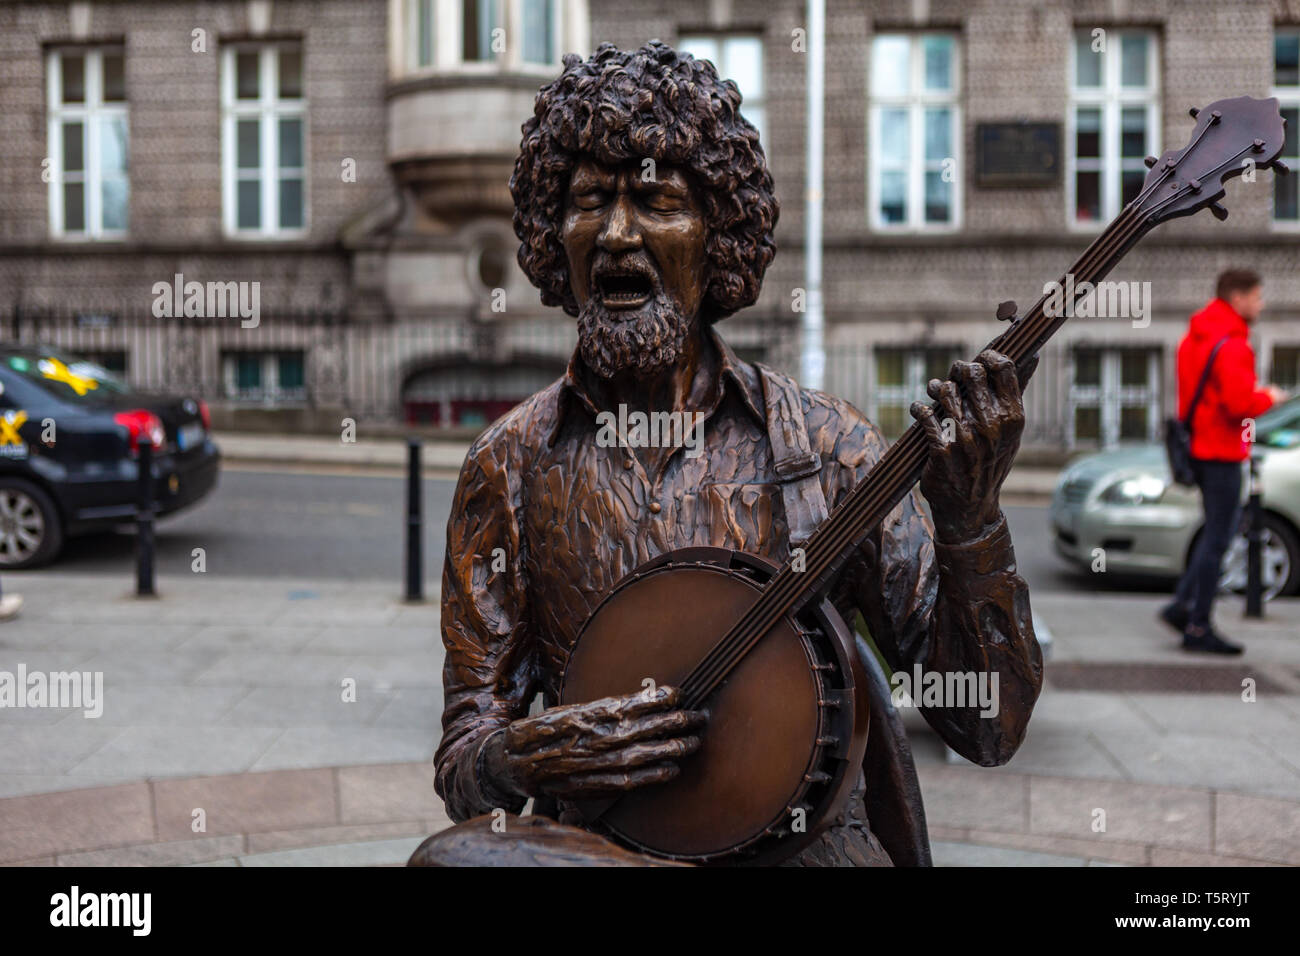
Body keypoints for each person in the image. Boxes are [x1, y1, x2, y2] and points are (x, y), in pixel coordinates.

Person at [431, 42, 1042, 866]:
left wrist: (971, 522)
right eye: (586, 202)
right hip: (610, 851)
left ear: (718, 236)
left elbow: (988, 724)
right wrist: (522, 756)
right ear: (552, 236)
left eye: (655, 200)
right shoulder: (506, 466)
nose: (615, 234)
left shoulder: (825, 447)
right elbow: (466, 757)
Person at [1160, 269, 1287, 654]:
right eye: (1257, 296)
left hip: (1199, 449)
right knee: (1219, 538)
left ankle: (1182, 605)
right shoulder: (1232, 344)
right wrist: (1269, 398)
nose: (1261, 304)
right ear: (1238, 297)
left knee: (1215, 532)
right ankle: (1197, 625)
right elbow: (1238, 406)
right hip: (1222, 453)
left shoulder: (1194, 337)